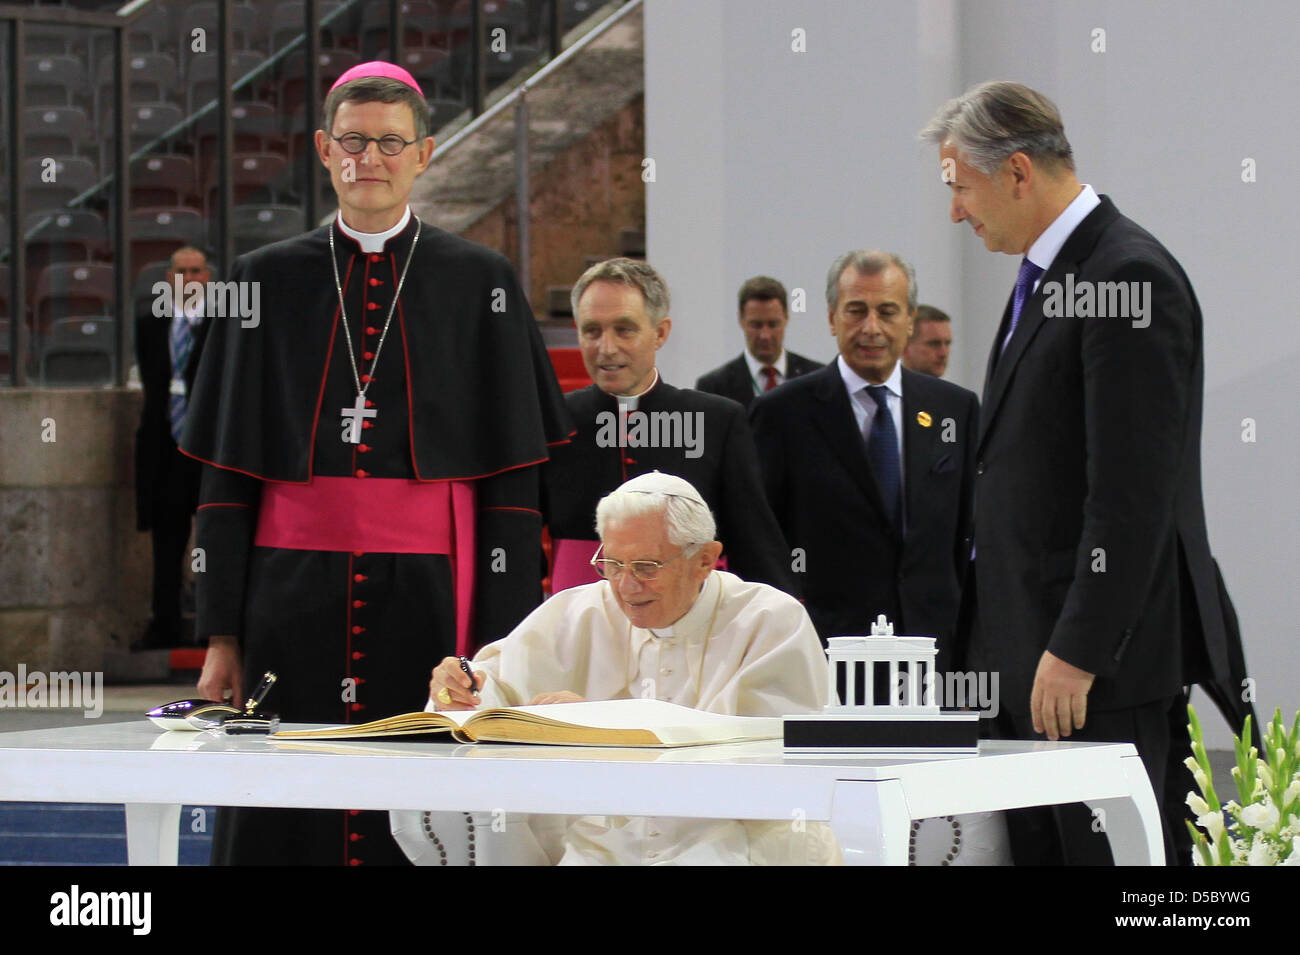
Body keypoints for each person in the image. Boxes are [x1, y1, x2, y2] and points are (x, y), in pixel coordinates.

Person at [181, 61, 571, 865]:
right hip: (286, 591)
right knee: (284, 789)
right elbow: (226, 482)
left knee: (426, 794)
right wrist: (220, 632)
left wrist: (498, 644)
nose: (371, 158)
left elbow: (510, 489)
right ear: (325, 150)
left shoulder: (480, 283)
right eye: (353, 141)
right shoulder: (262, 280)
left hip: (433, 596)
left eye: (391, 143)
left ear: (423, 155)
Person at [920, 80, 1256, 864]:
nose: (954, 212)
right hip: (1023, 665)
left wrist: (1079, 649)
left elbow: (1132, 497)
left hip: (1088, 675)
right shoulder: (1053, 272)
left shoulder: (1126, 276)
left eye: (960, 187)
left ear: (1017, 173)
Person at [425, 472, 839, 865]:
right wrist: (461, 692)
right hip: (597, 848)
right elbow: (494, 696)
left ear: (705, 560)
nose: (625, 586)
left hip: (732, 843)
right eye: (613, 565)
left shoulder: (769, 621)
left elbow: (767, 761)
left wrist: (596, 725)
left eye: (646, 567)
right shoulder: (574, 612)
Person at [750, 251, 978, 663]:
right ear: (831, 317)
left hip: (931, 651)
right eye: (856, 311)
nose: (871, 328)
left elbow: (965, 537)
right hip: (823, 651)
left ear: (909, 320)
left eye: (887, 312)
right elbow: (764, 541)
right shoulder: (782, 413)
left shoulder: (954, 409)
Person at [544, 257, 796, 596]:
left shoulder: (716, 421)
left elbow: (755, 544)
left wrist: (777, 625)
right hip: (579, 621)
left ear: (660, 332)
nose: (606, 347)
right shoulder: (551, 422)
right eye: (592, 331)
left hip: (693, 623)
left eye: (624, 329)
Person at [133, 246, 211, 650]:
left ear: (208, 278)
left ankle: (215, 628)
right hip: (165, 443)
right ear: (169, 278)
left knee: (214, 538)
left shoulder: (224, 325)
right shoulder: (150, 324)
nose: (189, 279)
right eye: (181, 271)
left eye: (196, 271)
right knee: (166, 537)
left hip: (211, 445)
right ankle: (163, 623)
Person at [695, 275, 823, 408]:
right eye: (756, 325)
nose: (765, 335)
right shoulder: (713, 388)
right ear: (741, 320)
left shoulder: (817, 379)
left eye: (773, 324)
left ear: (786, 318)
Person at [901, 304, 953, 378]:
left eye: (947, 343)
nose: (943, 354)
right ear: (904, 347)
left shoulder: (952, 389)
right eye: (934, 344)